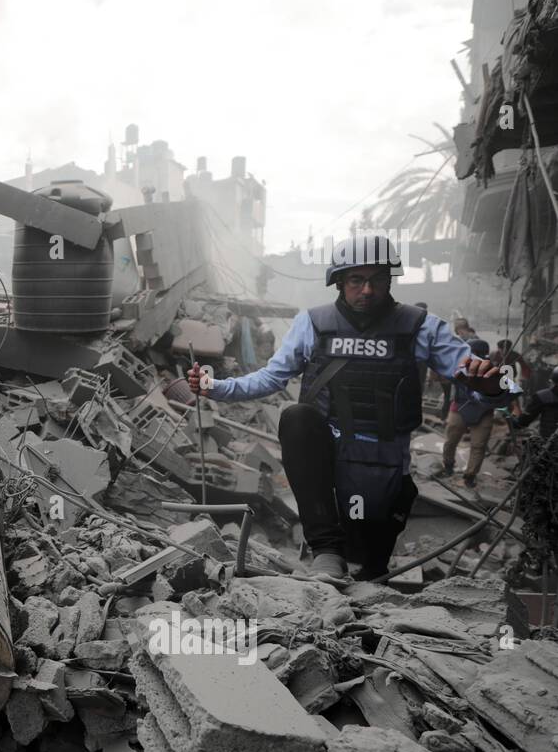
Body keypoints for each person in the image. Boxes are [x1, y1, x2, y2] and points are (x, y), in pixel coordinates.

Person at [187, 235, 503, 581]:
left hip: (385, 458)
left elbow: (485, 380)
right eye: (356, 280)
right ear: (339, 282)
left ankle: (366, 564)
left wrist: (492, 388)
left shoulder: (420, 326)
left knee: (370, 560)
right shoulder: (313, 323)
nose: (367, 290)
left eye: (377, 279)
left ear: (390, 280)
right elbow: (271, 378)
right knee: (296, 418)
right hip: (332, 448)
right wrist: (215, 388)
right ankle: (326, 550)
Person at [440, 339, 517, 487]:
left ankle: (470, 476)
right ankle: (448, 466)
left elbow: (509, 393)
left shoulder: (493, 370)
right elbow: (445, 381)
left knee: (478, 445)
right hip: (460, 408)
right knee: (450, 441)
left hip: (484, 412)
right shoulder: (458, 365)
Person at [510, 367, 558, 439]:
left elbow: (523, 421)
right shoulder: (543, 396)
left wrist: (512, 419)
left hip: (549, 444)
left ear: (553, 381)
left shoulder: (542, 396)